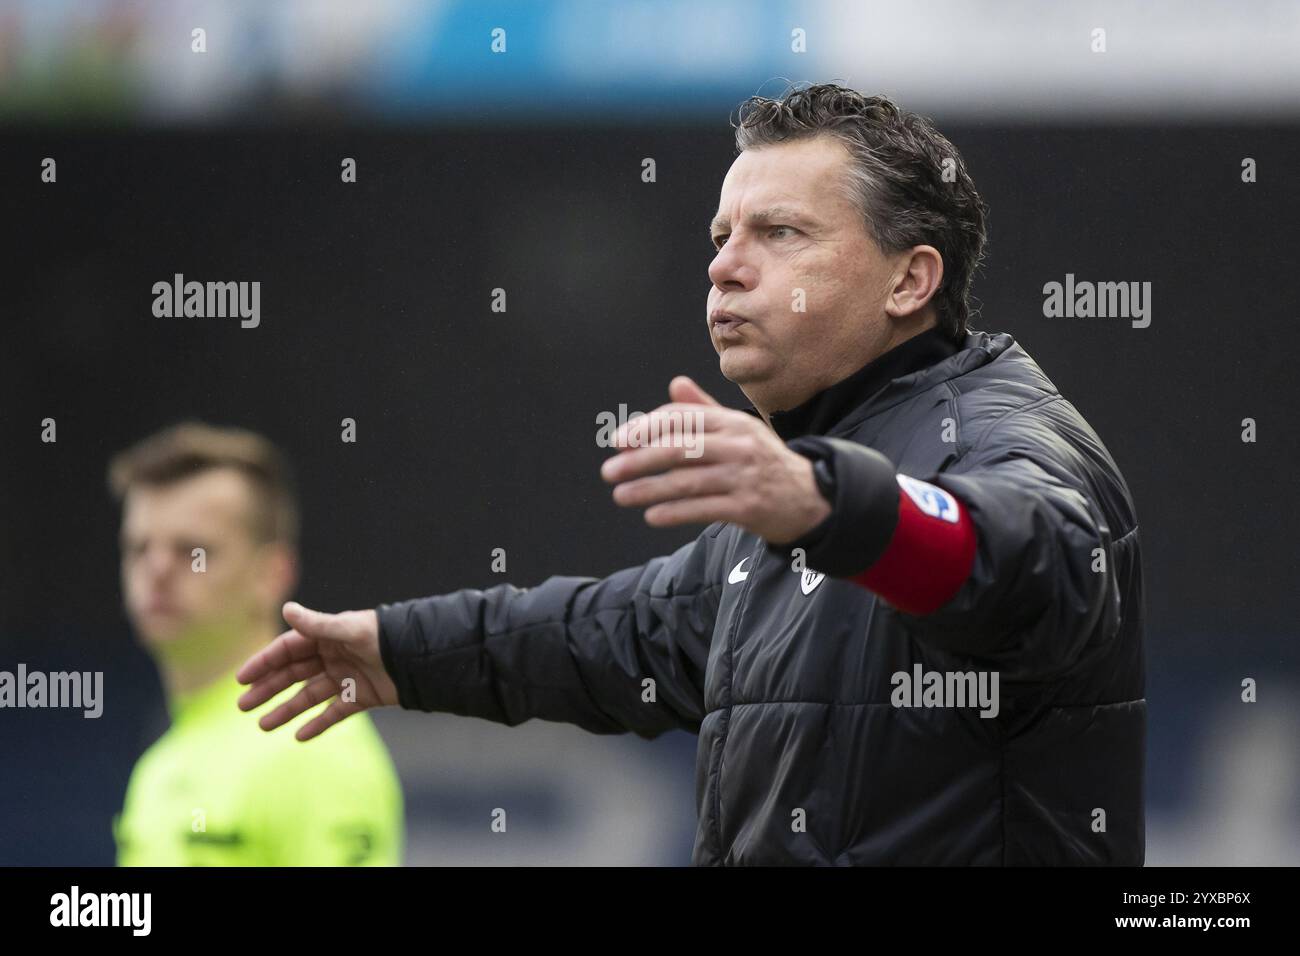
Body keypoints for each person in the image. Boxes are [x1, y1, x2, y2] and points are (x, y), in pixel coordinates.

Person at [238, 84, 1144, 865]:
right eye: (721, 236)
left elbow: (1029, 561)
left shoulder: (998, 434)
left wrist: (826, 503)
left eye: (779, 233)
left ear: (909, 281)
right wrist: (403, 651)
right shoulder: (794, 491)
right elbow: (611, 635)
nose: (723, 266)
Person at [110, 423, 403, 865]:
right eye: (138, 549)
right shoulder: (159, 767)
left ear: (272, 574)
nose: (156, 569)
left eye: (192, 550)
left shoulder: (313, 741)